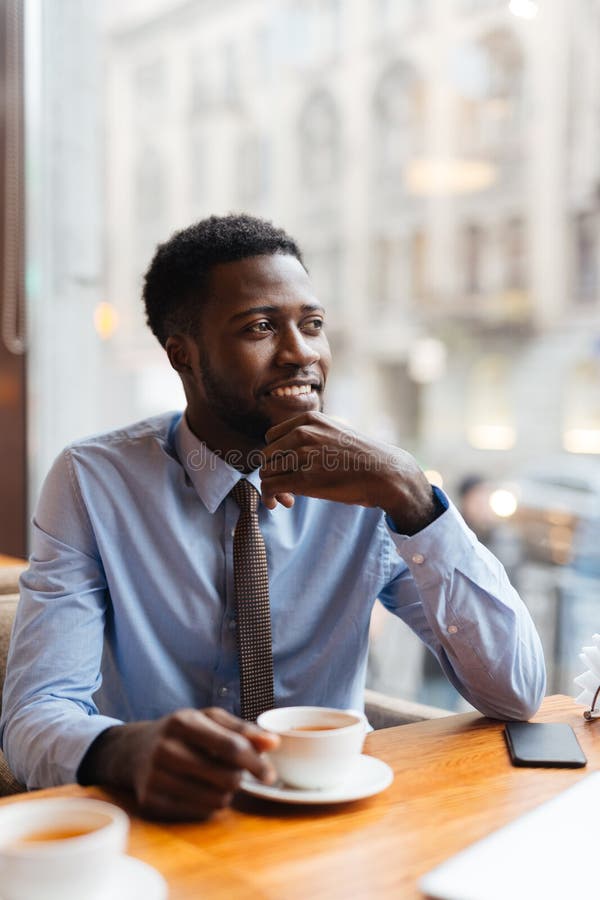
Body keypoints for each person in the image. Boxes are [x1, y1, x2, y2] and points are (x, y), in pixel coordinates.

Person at [0, 214, 546, 820]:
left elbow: (515, 692)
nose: (300, 353)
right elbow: (35, 716)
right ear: (182, 355)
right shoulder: (94, 481)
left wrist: (415, 500)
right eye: (260, 328)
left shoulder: (375, 487)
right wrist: (123, 749)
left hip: (336, 816)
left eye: (312, 325)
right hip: (165, 819)